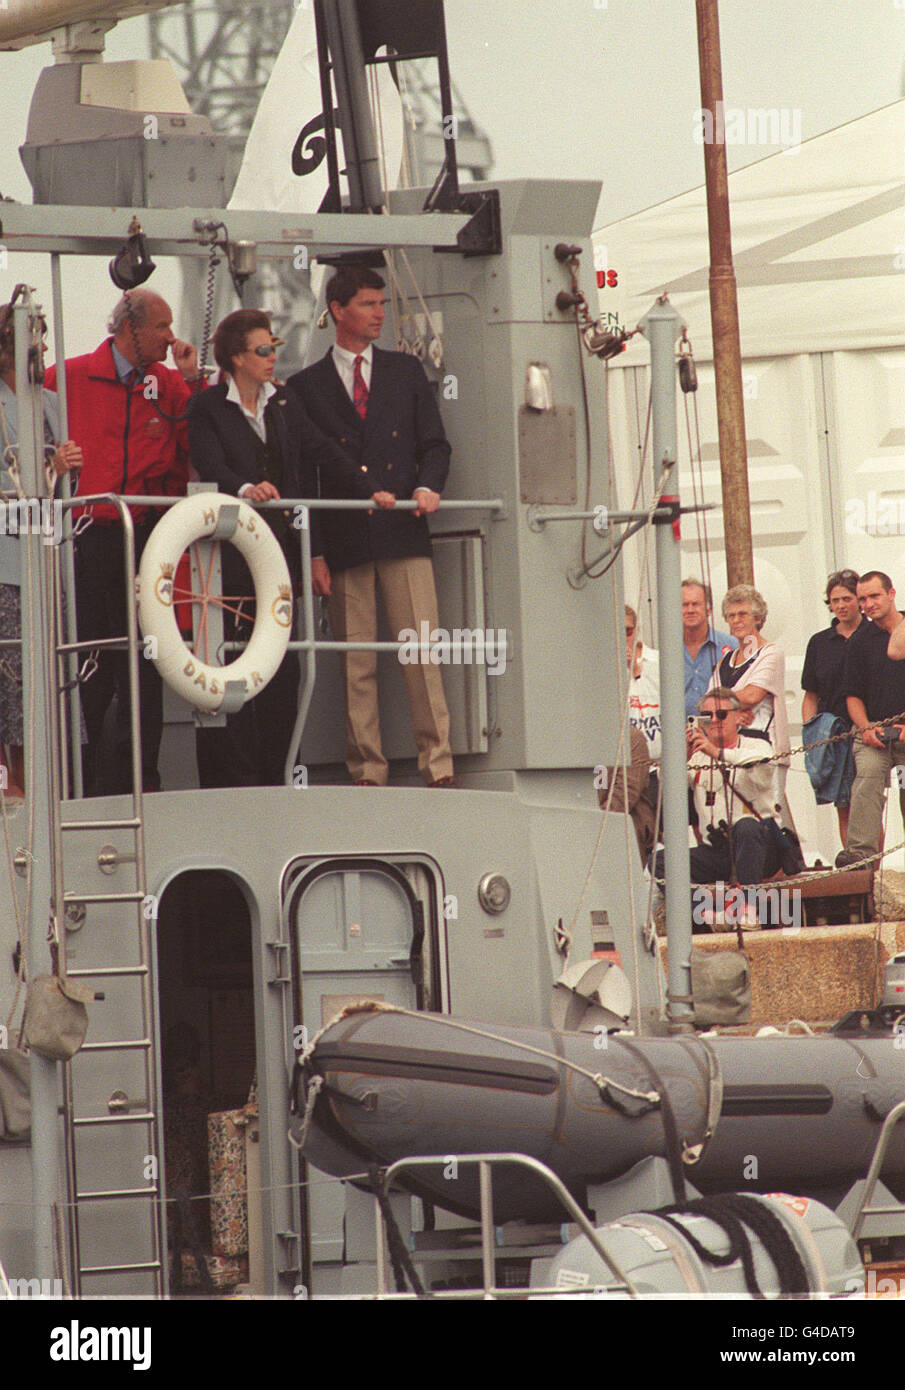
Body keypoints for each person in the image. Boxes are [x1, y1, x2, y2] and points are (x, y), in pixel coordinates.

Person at [187, 308, 394, 786]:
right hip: (229, 561)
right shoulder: (208, 407)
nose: (271, 358)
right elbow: (209, 461)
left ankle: (281, 775)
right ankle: (235, 784)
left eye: (274, 348)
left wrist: (368, 487)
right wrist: (245, 488)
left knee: (282, 670)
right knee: (235, 661)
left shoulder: (283, 403)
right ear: (237, 358)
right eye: (262, 350)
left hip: (277, 555)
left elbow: (319, 451)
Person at [288, 265, 455, 788]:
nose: (380, 312)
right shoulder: (305, 386)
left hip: (404, 530)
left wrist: (429, 486)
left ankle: (439, 766)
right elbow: (303, 477)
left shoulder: (406, 373)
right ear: (338, 310)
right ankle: (367, 770)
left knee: (421, 654)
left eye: (382, 303)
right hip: (343, 541)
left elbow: (435, 444)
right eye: (368, 304)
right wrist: (312, 552)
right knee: (355, 662)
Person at [45, 288, 201, 795]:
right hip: (87, 540)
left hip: (147, 541)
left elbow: (196, 440)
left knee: (145, 661)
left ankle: (143, 781)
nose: (170, 336)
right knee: (91, 663)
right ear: (130, 329)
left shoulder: (169, 385)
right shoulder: (65, 379)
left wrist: (191, 379)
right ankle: (84, 785)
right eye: (162, 326)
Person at [0, 299, 82, 798]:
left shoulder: (51, 402)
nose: (45, 348)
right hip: (4, 557)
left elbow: (62, 488)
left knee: (39, 675)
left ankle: (37, 784)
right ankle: (9, 785)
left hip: (46, 556)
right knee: (7, 673)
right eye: (37, 339)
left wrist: (66, 464)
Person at [653, 689, 782, 927]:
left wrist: (717, 753)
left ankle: (748, 911)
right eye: (706, 715)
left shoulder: (757, 744)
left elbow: (762, 768)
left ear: (738, 717)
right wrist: (681, 755)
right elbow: (666, 784)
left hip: (760, 847)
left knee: (746, 827)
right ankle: (704, 918)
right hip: (720, 849)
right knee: (662, 860)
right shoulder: (698, 755)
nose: (713, 721)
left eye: (721, 714)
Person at [837, 571, 905, 867]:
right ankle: (860, 856)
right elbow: (852, 695)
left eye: (874, 596)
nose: (868, 604)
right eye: (862, 599)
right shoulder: (859, 641)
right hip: (874, 734)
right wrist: (865, 728)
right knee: (866, 781)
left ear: (891, 594)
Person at [801, 569, 862, 845]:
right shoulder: (819, 643)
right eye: (834, 600)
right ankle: (854, 871)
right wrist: (811, 735)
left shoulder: (875, 635)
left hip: (868, 732)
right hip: (832, 733)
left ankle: (874, 874)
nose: (840, 605)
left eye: (846, 598)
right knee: (843, 805)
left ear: (859, 600)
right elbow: (810, 696)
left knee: (869, 806)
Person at [682, 578, 737, 717]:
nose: (690, 610)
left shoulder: (731, 647)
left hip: (720, 732)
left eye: (696, 604)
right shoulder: (666, 653)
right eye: (684, 605)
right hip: (678, 735)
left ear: (709, 610)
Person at [625, 604, 661, 759]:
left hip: (658, 759)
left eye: (627, 631)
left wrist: (635, 668)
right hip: (624, 761)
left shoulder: (658, 659)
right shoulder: (603, 667)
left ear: (637, 630)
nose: (623, 637)